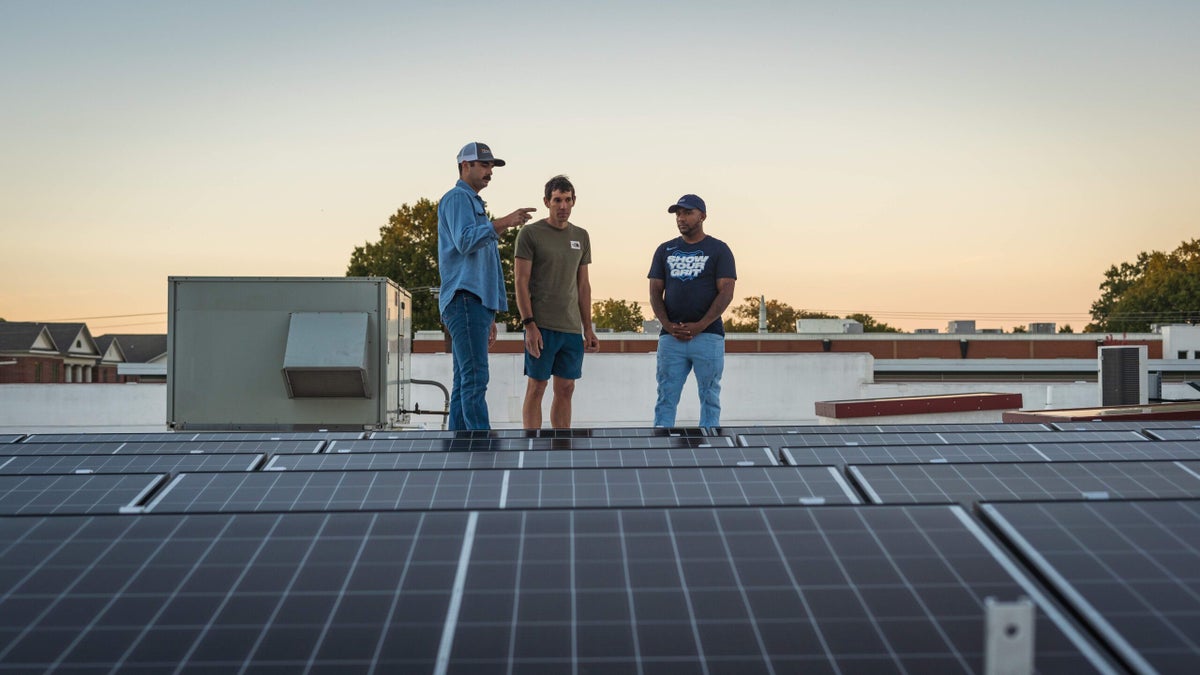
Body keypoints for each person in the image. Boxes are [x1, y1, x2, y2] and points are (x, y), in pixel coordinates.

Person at [438, 141, 535, 431]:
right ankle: (481, 449)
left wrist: (490, 314)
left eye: (492, 165)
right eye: (484, 164)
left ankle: (458, 450)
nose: (490, 170)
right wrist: (503, 222)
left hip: (473, 304)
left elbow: (481, 264)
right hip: (465, 300)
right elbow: (465, 240)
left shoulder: (472, 202)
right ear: (464, 166)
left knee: (464, 381)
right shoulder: (457, 198)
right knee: (475, 378)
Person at [513, 175, 600, 428]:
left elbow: (583, 285)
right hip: (541, 327)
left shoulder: (581, 236)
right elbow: (520, 282)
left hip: (571, 329)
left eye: (568, 200)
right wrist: (529, 325)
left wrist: (588, 327)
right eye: (557, 200)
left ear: (574, 202)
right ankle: (531, 448)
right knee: (537, 386)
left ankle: (560, 447)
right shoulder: (530, 234)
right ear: (546, 202)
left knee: (566, 388)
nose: (563, 206)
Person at [647, 194, 737, 428]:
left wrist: (701, 325)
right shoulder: (665, 249)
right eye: (678, 213)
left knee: (710, 395)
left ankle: (709, 446)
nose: (681, 218)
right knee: (666, 395)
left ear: (702, 216)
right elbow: (655, 291)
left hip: (707, 336)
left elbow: (726, 291)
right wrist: (667, 325)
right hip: (671, 337)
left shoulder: (719, 249)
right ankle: (661, 446)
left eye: (687, 212)